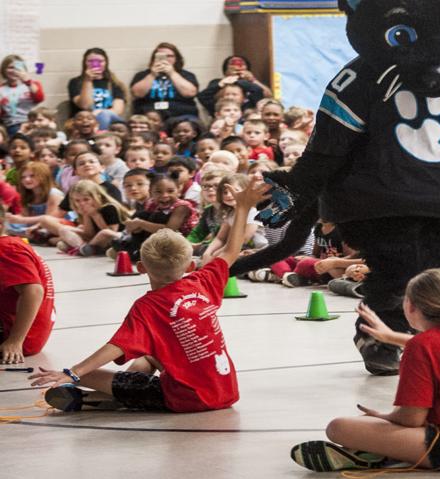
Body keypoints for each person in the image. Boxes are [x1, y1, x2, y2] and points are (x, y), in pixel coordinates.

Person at [29, 178, 265, 412]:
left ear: (141, 267)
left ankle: (95, 399)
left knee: (89, 375)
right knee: (148, 357)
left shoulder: (148, 306)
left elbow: (116, 347)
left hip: (188, 398)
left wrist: (72, 372)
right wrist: (243, 208)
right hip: (226, 391)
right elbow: (231, 250)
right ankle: (101, 398)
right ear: (190, 267)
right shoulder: (201, 281)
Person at [292, 269, 440, 473]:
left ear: (410, 306)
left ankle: (375, 454)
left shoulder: (423, 346)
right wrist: (391, 336)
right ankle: (378, 450)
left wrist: (384, 417)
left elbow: (411, 419)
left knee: (340, 428)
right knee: (373, 427)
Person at [0, 234, 54, 365]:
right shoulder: (11, 242)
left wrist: (15, 340)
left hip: (16, 334)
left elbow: (34, 291)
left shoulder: (6, 248)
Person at [129, 44, 201, 123]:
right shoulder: (142, 75)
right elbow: (137, 94)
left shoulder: (186, 75)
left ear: (176, 59)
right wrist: (152, 75)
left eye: (170, 56)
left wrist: (172, 73)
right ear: (154, 58)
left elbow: (190, 93)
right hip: (149, 114)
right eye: (162, 56)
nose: (166, 59)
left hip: (180, 114)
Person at [68, 49, 130, 131]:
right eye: (90, 61)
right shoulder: (76, 82)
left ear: (106, 63)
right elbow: (85, 105)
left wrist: (100, 112)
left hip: (109, 119)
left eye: (100, 61)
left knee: (105, 115)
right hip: (84, 121)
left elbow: (117, 110)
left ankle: (100, 136)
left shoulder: (115, 83)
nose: (95, 64)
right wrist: (87, 80)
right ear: (84, 63)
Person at [197, 55, 268, 118]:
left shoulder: (252, 86)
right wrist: (222, 83)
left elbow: (266, 95)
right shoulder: (217, 82)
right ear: (225, 71)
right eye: (233, 65)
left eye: (242, 67)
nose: (238, 67)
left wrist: (251, 80)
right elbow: (203, 97)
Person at [1, 56, 45, 139]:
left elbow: (39, 98)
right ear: (4, 70)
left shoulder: (33, 84)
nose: (14, 71)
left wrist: (27, 81)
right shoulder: (1, 89)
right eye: (11, 68)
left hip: (34, 122)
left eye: (18, 68)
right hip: (13, 124)